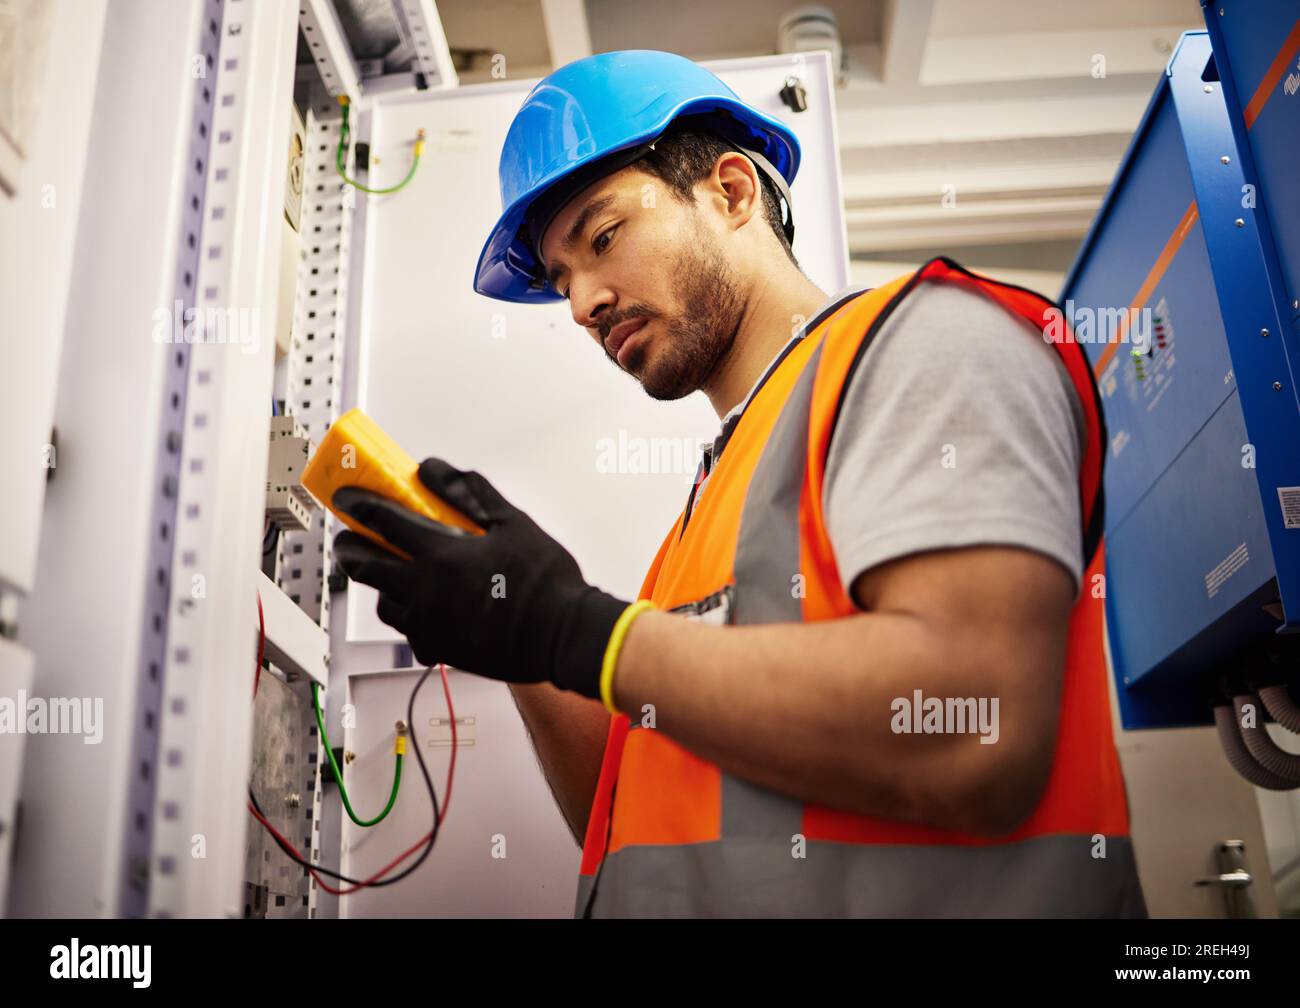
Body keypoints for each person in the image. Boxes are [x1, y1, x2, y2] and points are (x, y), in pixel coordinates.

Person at [333, 50, 1146, 918]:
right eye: (563, 279)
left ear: (730, 192)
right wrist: (520, 644)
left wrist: (575, 627)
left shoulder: (932, 343)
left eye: (603, 238)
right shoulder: (704, 517)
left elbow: (971, 725)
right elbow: (623, 812)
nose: (581, 305)